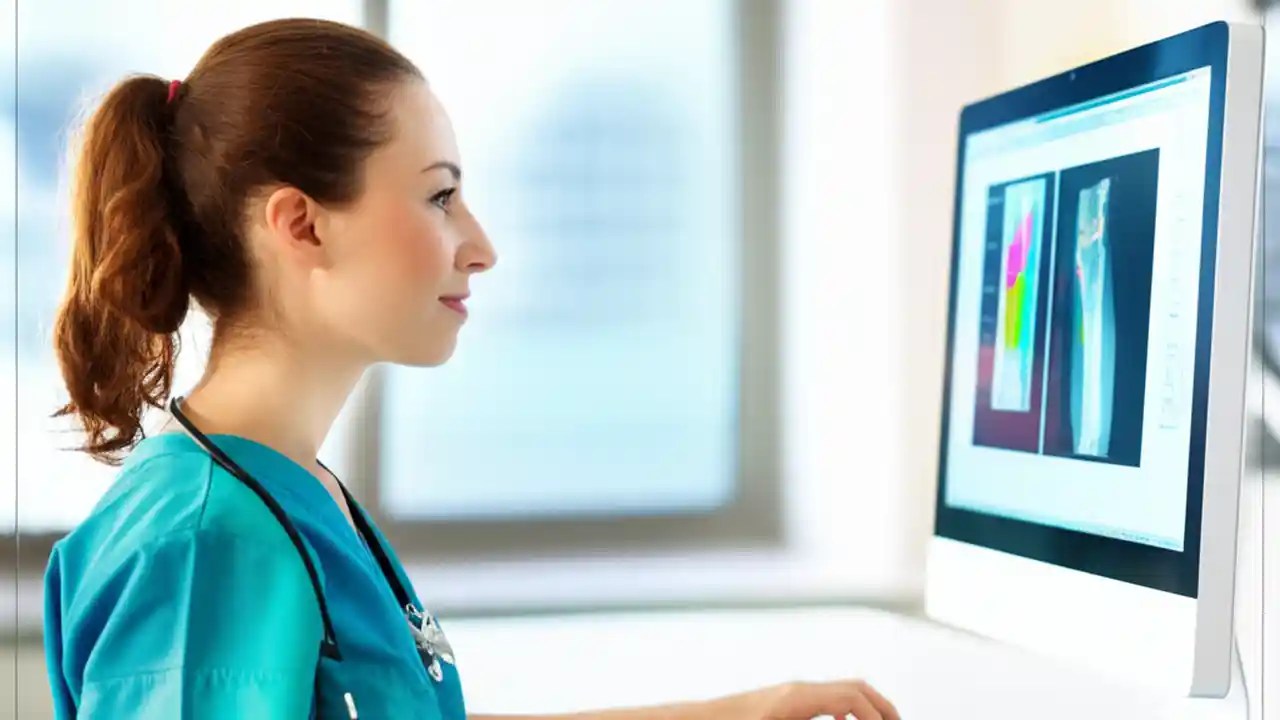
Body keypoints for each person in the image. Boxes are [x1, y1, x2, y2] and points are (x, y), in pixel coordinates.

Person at [40, 17, 901, 720]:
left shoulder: (288, 490)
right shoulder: (206, 545)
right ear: (302, 225)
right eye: (439, 197)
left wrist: (740, 713)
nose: (480, 247)